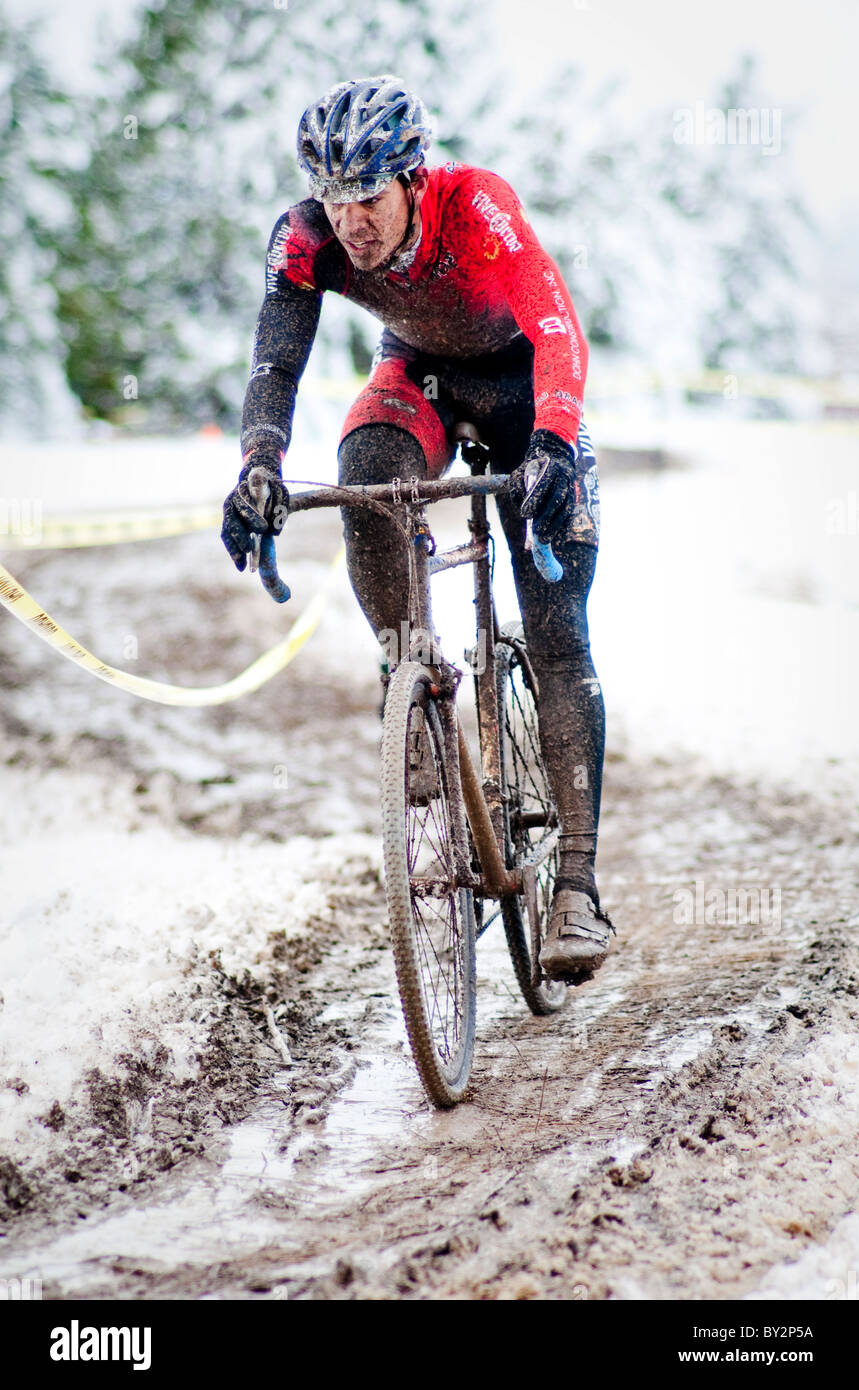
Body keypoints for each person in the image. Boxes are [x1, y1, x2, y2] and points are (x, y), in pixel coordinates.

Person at [221, 75, 614, 981]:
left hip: (524, 393)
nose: (350, 219)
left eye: (367, 195)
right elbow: (275, 360)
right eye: (333, 196)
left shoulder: (476, 206)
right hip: (418, 380)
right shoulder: (308, 238)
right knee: (365, 478)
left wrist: (553, 439)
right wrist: (258, 464)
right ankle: (413, 681)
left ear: (409, 177)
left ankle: (577, 890)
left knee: (558, 632)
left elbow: (557, 327)